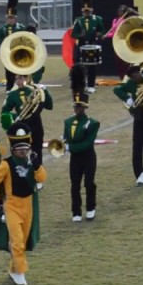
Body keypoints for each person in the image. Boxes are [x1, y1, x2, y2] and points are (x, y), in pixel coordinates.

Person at [0, 124, 46, 285]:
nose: (22, 151)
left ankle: (14, 269)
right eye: (19, 148)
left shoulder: (31, 161)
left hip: (28, 206)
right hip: (12, 206)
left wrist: (38, 166)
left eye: (25, 148)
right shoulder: (6, 165)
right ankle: (21, 271)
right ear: (12, 149)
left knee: (23, 242)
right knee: (17, 242)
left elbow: (42, 179)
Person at [63, 65, 98, 221]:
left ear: (85, 107)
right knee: (74, 185)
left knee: (89, 184)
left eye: (80, 106)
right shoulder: (68, 122)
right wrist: (63, 143)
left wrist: (71, 147)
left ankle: (90, 208)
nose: (77, 109)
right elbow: (66, 137)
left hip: (88, 157)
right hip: (75, 159)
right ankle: (76, 211)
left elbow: (88, 143)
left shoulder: (93, 123)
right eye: (76, 106)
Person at [1, 72, 53, 162]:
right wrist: (15, 116)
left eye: (20, 78)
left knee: (37, 152)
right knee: (19, 151)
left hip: (36, 125)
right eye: (16, 79)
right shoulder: (12, 94)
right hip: (21, 126)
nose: (18, 81)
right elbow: (4, 112)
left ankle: (37, 173)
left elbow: (49, 106)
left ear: (26, 78)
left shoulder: (35, 91)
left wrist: (45, 91)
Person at [71, 0, 105, 91]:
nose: (86, 12)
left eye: (88, 11)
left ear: (91, 10)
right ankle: (81, 84)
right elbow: (73, 34)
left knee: (91, 66)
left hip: (93, 44)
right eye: (84, 11)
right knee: (80, 66)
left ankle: (91, 85)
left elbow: (102, 30)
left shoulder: (97, 19)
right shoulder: (79, 21)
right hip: (82, 45)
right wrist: (80, 35)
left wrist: (99, 34)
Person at [0, 0, 27, 91]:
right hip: (8, 54)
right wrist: (4, 42)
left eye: (12, 18)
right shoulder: (2, 29)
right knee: (9, 73)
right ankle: (9, 89)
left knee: (20, 71)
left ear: (15, 18)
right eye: (9, 18)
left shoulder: (21, 27)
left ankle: (22, 87)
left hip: (19, 52)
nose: (10, 20)